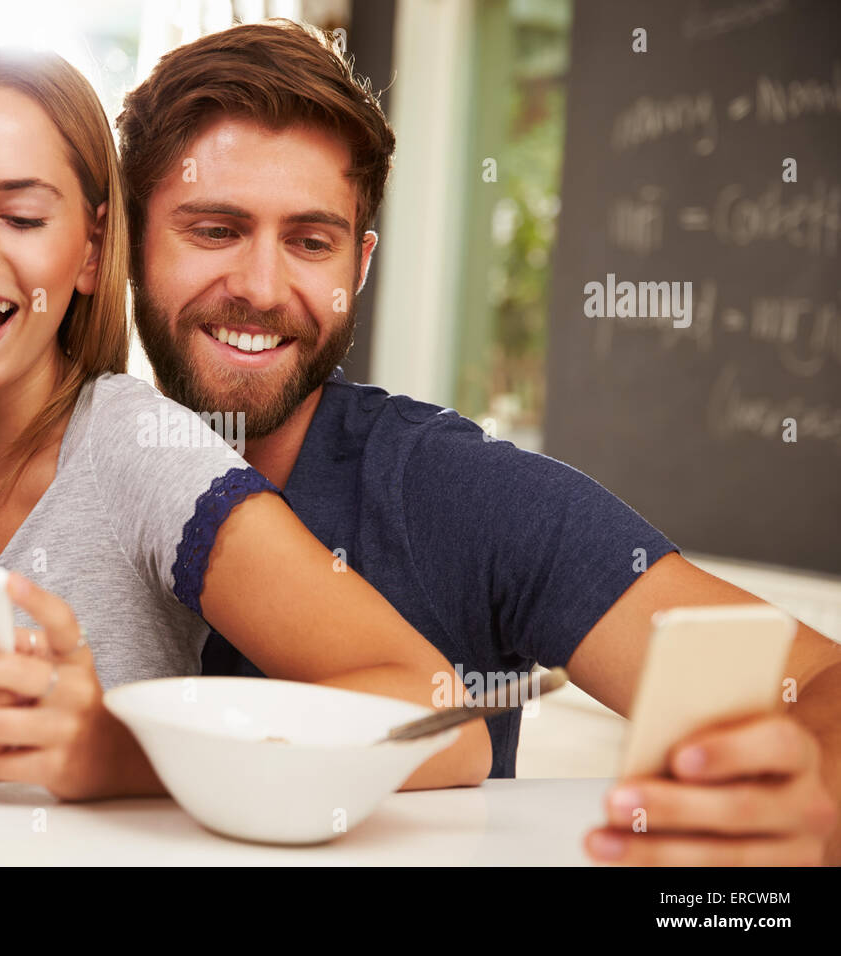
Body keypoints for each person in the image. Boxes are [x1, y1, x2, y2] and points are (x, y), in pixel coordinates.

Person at [116, 19, 841, 865]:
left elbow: (815, 679)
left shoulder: (453, 493)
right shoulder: (55, 461)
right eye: (215, 230)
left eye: (311, 243)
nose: (262, 287)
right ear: (128, 241)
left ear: (360, 265)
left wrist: (814, 787)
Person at [0, 31, 493, 801]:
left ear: (90, 255)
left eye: (22, 218)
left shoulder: (134, 447)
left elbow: (444, 720)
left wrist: (115, 753)